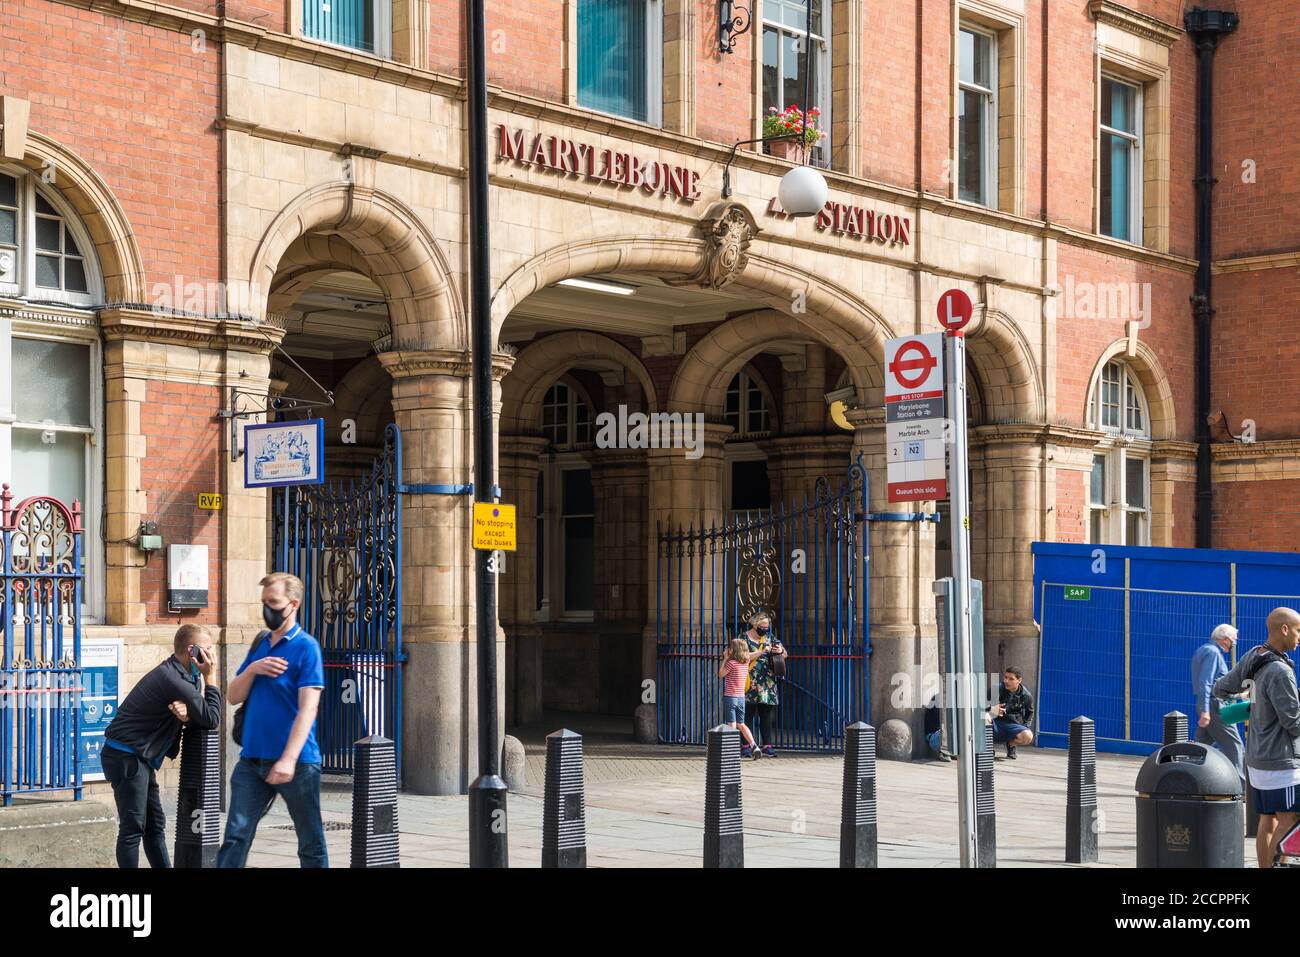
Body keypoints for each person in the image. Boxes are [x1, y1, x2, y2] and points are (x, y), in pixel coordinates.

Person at [217, 572, 327, 868]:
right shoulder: (260, 644)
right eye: (264, 602)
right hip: (252, 760)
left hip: (298, 763)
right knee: (235, 835)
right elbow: (233, 696)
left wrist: (288, 760)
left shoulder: (307, 648)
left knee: (310, 841)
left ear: (293, 604)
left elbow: (308, 709)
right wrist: (253, 668)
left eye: (274, 603)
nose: (268, 610)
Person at [101, 624, 221, 868]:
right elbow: (212, 718)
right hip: (126, 756)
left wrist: (187, 716)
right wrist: (211, 677)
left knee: (155, 825)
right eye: (207, 649)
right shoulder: (173, 678)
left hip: (139, 758)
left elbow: (202, 719)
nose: (212, 655)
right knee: (133, 828)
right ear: (192, 650)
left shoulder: (187, 676)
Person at [1214, 606, 1300, 868]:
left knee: (1268, 819)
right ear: (1284, 629)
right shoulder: (1281, 671)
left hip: (1257, 760)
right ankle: (1281, 866)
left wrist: (1252, 705)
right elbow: (1293, 722)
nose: (1299, 637)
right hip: (1281, 763)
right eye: (1298, 630)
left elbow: (1221, 687)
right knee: (1290, 821)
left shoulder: (1255, 654)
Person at [1192, 623, 1245, 783]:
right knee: (1234, 746)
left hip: (1210, 706)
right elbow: (1206, 682)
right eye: (1233, 640)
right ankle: (1241, 787)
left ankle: (1190, 777)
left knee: (1201, 746)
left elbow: (1210, 683)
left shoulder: (1204, 649)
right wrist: (1205, 710)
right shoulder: (1213, 653)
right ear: (1225, 639)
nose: (1234, 644)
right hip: (1217, 707)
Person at [742, 611, 785, 758]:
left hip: (767, 683)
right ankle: (746, 746)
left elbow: (785, 654)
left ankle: (767, 745)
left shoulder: (769, 638)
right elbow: (742, 656)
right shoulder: (743, 638)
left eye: (767, 626)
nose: (765, 629)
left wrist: (780, 651)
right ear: (755, 625)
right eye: (763, 626)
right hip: (750, 681)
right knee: (747, 715)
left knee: (766, 715)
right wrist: (761, 651)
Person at [718, 637, 760, 760]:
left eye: (730, 647)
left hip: (731, 697)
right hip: (741, 697)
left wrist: (725, 658)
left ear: (733, 650)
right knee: (741, 724)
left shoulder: (731, 663)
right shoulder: (745, 662)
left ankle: (731, 752)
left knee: (731, 724)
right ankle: (754, 745)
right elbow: (750, 655)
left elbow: (720, 674)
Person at [990, 667, 1034, 759]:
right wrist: (992, 709)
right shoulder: (996, 689)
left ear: (1019, 680)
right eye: (1005, 677)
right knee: (984, 717)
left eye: (1011, 679)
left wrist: (1025, 725)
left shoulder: (1026, 696)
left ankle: (1010, 744)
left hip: (1012, 724)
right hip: (994, 722)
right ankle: (988, 747)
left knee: (1027, 736)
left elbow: (1030, 712)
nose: (1006, 681)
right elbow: (980, 707)